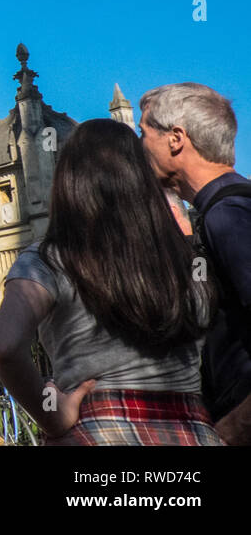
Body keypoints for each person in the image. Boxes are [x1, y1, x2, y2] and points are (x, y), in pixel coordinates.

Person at [0, 118, 221, 445]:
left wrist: (52, 414)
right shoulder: (188, 262)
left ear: (68, 183)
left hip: (99, 430)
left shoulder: (50, 259)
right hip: (191, 432)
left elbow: (5, 346)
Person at [139, 83, 251, 444]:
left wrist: (235, 428)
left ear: (176, 139)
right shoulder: (221, 210)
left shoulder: (229, 216)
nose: (139, 147)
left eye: (143, 133)